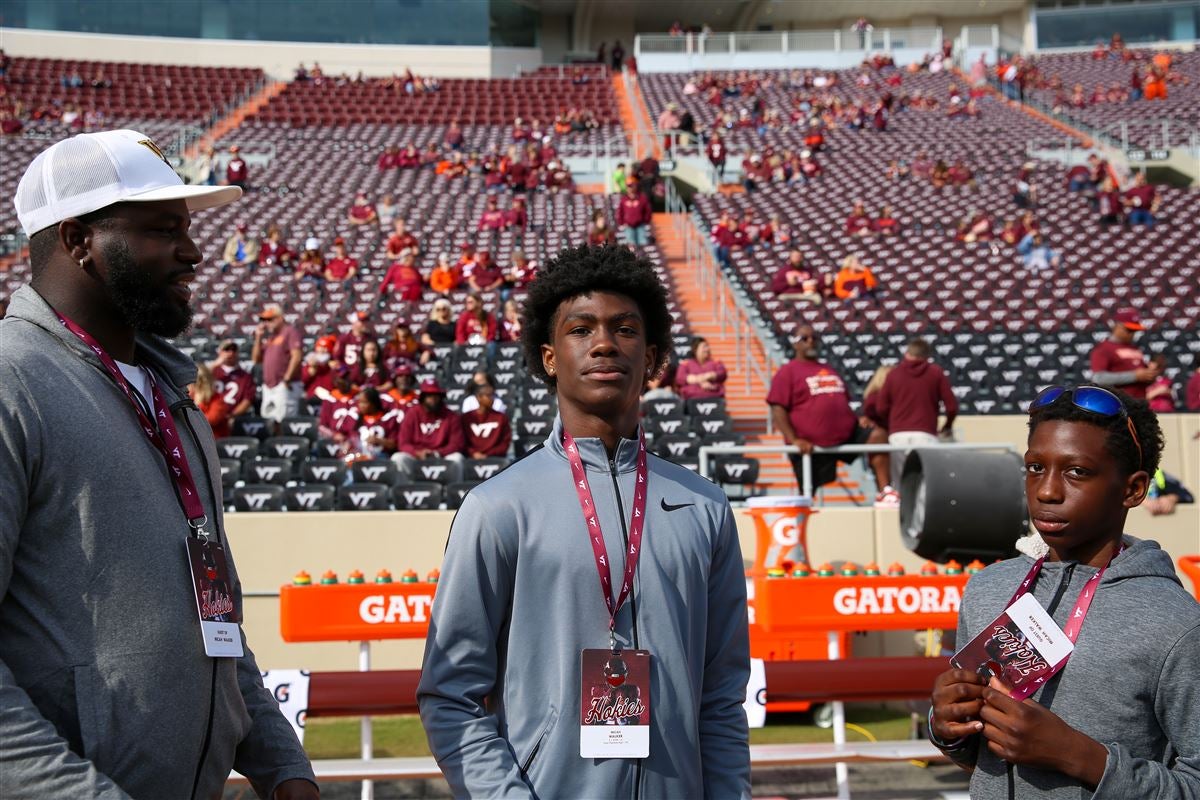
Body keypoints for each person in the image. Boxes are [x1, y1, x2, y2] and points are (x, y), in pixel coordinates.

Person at [0, 128, 316, 797]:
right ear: (78, 239)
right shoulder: (12, 381)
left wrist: (279, 759)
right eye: (162, 229)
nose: (193, 252)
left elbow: (215, 615)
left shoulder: (170, 397)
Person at [418, 244, 751, 798]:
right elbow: (450, 693)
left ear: (652, 357)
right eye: (581, 329)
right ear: (549, 357)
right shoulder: (498, 507)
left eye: (625, 329)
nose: (603, 343)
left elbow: (721, 695)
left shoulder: (705, 506)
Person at [929, 386, 1199, 797]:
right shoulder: (988, 588)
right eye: (1035, 468)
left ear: (1133, 489)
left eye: (1077, 472)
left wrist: (1078, 756)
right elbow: (977, 759)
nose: (1047, 491)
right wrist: (947, 726)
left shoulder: (1176, 624)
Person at [767, 325, 896, 503]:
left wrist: (859, 419)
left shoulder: (829, 368)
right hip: (809, 443)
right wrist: (794, 439)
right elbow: (777, 408)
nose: (811, 341)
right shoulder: (788, 371)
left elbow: (841, 402)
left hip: (846, 434)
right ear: (795, 345)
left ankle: (885, 492)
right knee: (807, 493)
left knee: (878, 435)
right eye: (805, 338)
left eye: (814, 338)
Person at [875, 338, 957, 489]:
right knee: (926, 486)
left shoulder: (893, 374)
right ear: (927, 356)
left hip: (898, 436)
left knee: (900, 487)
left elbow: (880, 407)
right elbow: (951, 407)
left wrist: (893, 422)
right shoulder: (936, 373)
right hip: (926, 435)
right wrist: (947, 426)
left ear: (907, 353)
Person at [392, 379, 464, 481]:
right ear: (422, 398)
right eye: (429, 396)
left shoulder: (451, 415)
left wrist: (437, 453)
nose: (433, 399)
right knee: (398, 458)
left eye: (436, 396)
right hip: (417, 455)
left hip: (441, 455)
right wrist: (417, 453)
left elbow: (457, 443)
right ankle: (404, 492)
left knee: (457, 458)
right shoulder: (412, 413)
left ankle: (456, 494)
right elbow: (403, 443)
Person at [1088, 308, 1158, 399]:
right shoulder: (1103, 348)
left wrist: (1149, 374)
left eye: (1135, 331)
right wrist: (1134, 376)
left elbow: (1141, 378)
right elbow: (1098, 378)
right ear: (1117, 326)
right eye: (1129, 330)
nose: (1132, 334)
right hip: (1118, 405)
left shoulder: (1135, 348)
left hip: (1138, 404)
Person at [252, 303, 304, 426]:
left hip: (284, 385)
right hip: (269, 387)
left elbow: (296, 356)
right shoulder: (271, 338)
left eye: (270, 319)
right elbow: (256, 359)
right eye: (264, 320)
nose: (266, 323)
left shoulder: (290, 332)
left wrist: (286, 379)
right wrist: (258, 337)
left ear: (280, 318)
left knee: (283, 422)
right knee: (269, 423)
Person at [461, 383, 512, 460]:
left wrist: (488, 455)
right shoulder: (465, 418)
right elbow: (462, 442)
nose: (492, 399)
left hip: (495, 458)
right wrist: (473, 453)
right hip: (470, 458)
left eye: (493, 395)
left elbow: (505, 443)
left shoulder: (501, 417)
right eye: (488, 395)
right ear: (479, 397)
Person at [209, 339, 257, 418]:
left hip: (234, 418)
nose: (230, 353)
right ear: (220, 352)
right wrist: (215, 364)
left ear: (238, 353)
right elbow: (197, 382)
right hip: (212, 416)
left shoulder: (245, 376)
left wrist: (232, 416)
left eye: (234, 350)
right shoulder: (212, 372)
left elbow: (248, 399)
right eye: (227, 349)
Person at [675, 336, 727, 400]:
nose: (707, 349)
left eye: (707, 346)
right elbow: (680, 378)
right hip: (692, 399)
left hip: (714, 397)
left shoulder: (716, 363)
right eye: (704, 347)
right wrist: (700, 381)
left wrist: (709, 375)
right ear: (695, 350)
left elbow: (722, 373)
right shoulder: (686, 364)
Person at [616, 181, 652, 249]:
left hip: (640, 225)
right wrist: (621, 223)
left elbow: (648, 211)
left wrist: (646, 221)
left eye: (632, 186)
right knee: (631, 246)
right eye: (629, 187)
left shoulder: (642, 198)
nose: (630, 188)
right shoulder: (624, 199)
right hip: (628, 226)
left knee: (643, 245)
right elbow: (620, 212)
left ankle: (643, 258)